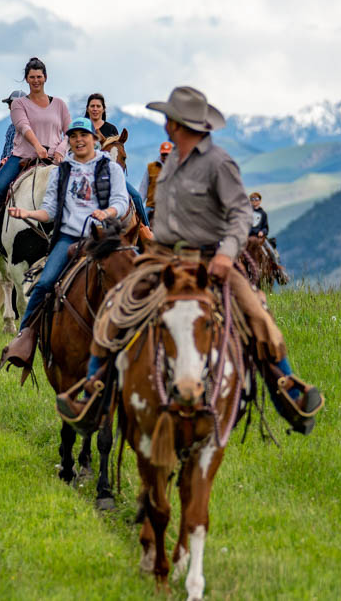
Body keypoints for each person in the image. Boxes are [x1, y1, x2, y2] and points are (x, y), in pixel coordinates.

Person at [58, 86, 323, 434]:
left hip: (212, 258)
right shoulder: (167, 166)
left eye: (169, 119)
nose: (167, 124)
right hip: (165, 258)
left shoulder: (218, 164)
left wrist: (227, 255)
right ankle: (92, 391)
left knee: (257, 314)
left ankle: (289, 390)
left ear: (176, 125)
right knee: (116, 307)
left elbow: (241, 214)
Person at [0, 117, 129, 367]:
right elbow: (49, 210)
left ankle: (138, 335)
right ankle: (24, 339)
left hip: (101, 236)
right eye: (73, 136)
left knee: (127, 279)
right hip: (68, 237)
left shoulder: (109, 168)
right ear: (69, 141)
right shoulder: (62, 171)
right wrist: (27, 214)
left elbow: (121, 201)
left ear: (94, 139)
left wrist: (108, 213)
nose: (79, 140)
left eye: (84, 135)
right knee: (44, 283)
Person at [0, 57, 70, 255]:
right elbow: (23, 126)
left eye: (39, 76)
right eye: (32, 77)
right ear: (26, 79)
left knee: (78, 187)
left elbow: (69, 132)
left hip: (55, 159)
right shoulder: (19, 104)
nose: (36, 80)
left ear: (45, 78)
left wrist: (60, 151)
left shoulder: (59, 104)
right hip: (24, 156)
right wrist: (38, 146)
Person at [85, 92, 149, 223]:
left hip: (110, 174)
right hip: (85, 173)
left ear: (103, 109)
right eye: (92, 106)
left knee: (136, 196)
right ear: (87, 108)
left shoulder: (110, 128)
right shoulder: (83, 127)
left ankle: (146, 229)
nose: (95, 109)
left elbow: (117, 152)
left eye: (98, 106)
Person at [139, 141, 173, 222]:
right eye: (163, 154)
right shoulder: (151, 167)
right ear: (160, 153)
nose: (165, 156)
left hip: (169, 207)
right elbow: (143, 189)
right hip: (151, 206)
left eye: (167, 154)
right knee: (141, 225)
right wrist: (139, 204)